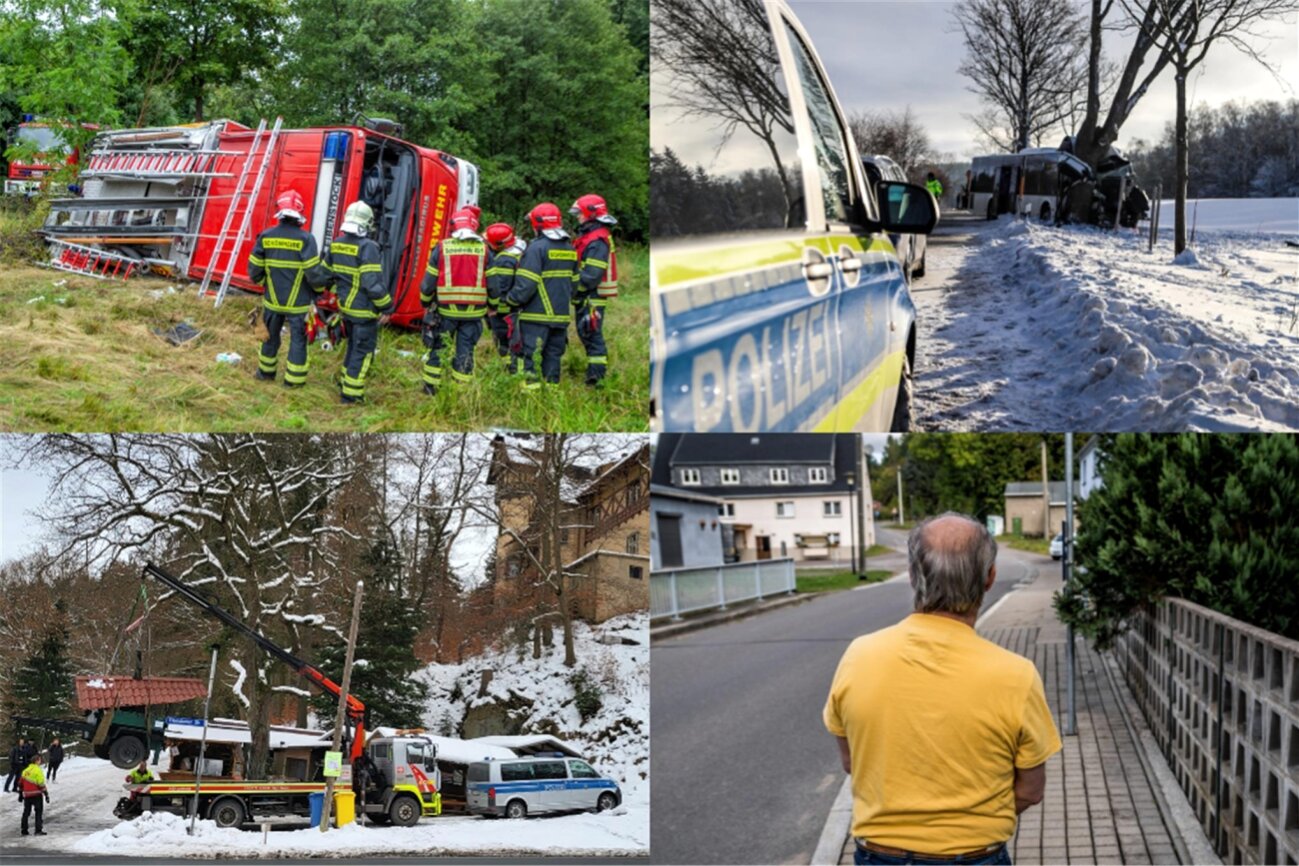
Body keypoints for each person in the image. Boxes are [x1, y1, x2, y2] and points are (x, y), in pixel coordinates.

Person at [824, 513, 1061, 866]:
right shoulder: (1016, 675)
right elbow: (1031, 790)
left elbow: (851, 761)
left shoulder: (859, 656)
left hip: (879, 857)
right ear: (990, 578)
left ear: (912, 574)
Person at [248, 189, 330, 387]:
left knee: (269, 338)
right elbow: (313, 274)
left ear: (280, 212)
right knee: (298, 341)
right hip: (299, 305)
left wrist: (265, 285)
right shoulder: (306, 239)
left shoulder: (265, 236)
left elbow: (254, 271)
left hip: (272, 302)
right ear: (299, 214)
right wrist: (320, 291)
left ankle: (265, 374)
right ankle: (293, 381)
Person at [325, 201, 391, 404]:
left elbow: (325, 276)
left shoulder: (336, 244)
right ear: (368, 223)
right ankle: (351, 395)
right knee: (362, 353)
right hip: (364, 312)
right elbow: (372, 284)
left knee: (353, 347)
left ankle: (345, 382)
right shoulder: (368, 247)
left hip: (346, 310)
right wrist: (387, 306)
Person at [506, 202, 578, 390]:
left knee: (528, 357)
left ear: (537, 224)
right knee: (553, 357)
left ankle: (529, 400)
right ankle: (552, 398)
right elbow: (575, 284)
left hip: (535, 317)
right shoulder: (570, 249)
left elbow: (526, 284)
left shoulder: (536, 249)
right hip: (560, 317)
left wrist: (511, 301)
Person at [419, 208, 489, 395]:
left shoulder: (442, 247)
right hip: (474, 315)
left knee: (438, 348)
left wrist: (425, 303)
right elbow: (494, 283)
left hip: (445, 312)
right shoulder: (485, 249)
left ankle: (430, 388)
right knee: (465, 351)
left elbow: (428, 283)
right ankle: (461, 391)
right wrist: (495, 306)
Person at [569, 194, 619, 386]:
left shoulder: (597, 240)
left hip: (592, 296)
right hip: (589, 295)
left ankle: (596, 377)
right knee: (587, 332)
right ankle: (594, 373)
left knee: (592, 333)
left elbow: (591, 275)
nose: (578, 217)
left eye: (580, 214)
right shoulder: (591, 236)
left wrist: (575, 289)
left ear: (591, 214)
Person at [484, 222, 526, 366]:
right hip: (515, 307)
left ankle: (510, 367)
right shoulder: (517, 252)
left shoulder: (503, 260)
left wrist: (493, 308)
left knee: (504, 340)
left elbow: (500, 288)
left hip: (503, 310)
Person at [19, 752, 48, 836]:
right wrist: (46, 794)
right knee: (38, 812)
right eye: (39, 760)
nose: (40, 761)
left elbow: (20, 783)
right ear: (36, 761)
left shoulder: (25, 771)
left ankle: (24, 830)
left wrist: (21, 793)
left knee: (26, 812)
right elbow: (41, 783)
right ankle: (38, 830)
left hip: (27, 795)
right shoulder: (38, 770)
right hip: (36, 795)